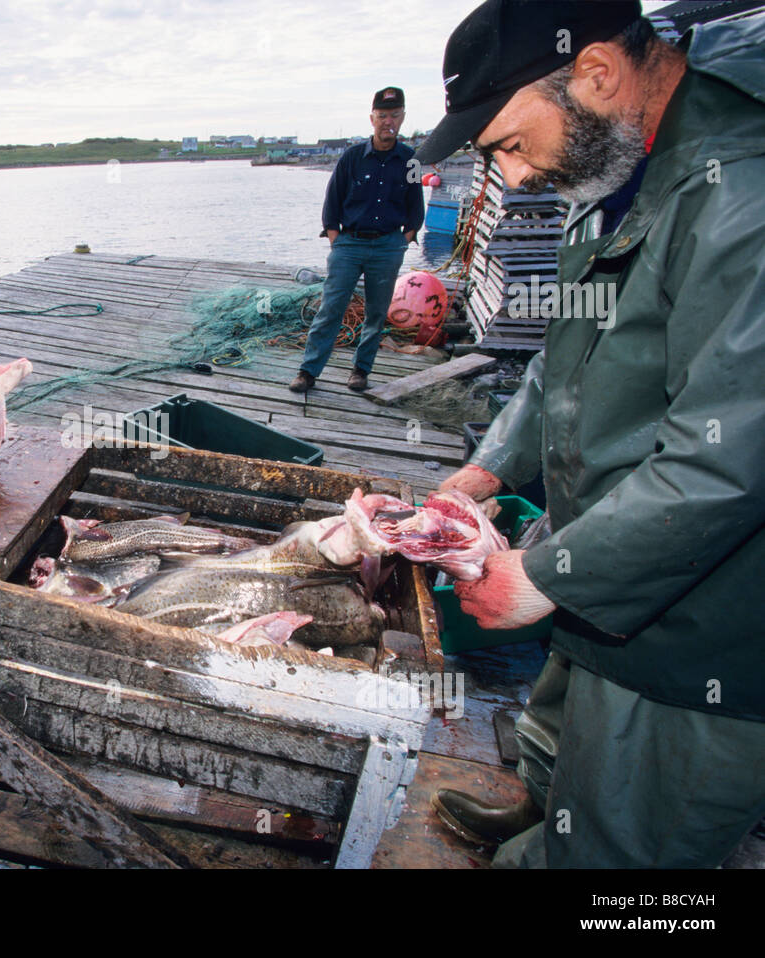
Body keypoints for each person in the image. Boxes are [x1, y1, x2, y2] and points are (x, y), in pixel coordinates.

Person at [416, 0, 765, 867]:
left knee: (631, 845)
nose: (512, 176)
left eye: (506, 145)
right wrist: (488, 470)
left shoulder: (744, 196)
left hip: (708, 616)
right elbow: (559, 361)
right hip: (599, 548)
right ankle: (544, 804)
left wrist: (539, 575)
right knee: (565, 730)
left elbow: (726, 463)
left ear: (597, 74)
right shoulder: (608, 166)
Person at [290, 87, 424, 395]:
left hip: (388, 247)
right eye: (381, 116)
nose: (387, 122)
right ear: (372, 118)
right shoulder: (351, 158)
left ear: (402, 118)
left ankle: (360, 370)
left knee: (376, 314)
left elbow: (416, 210)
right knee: (331, 308)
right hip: (348, 245)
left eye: (394, 116)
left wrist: (402, 241)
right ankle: (308, 372)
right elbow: (331, 204)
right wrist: (337, 240)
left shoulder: (411, 161)